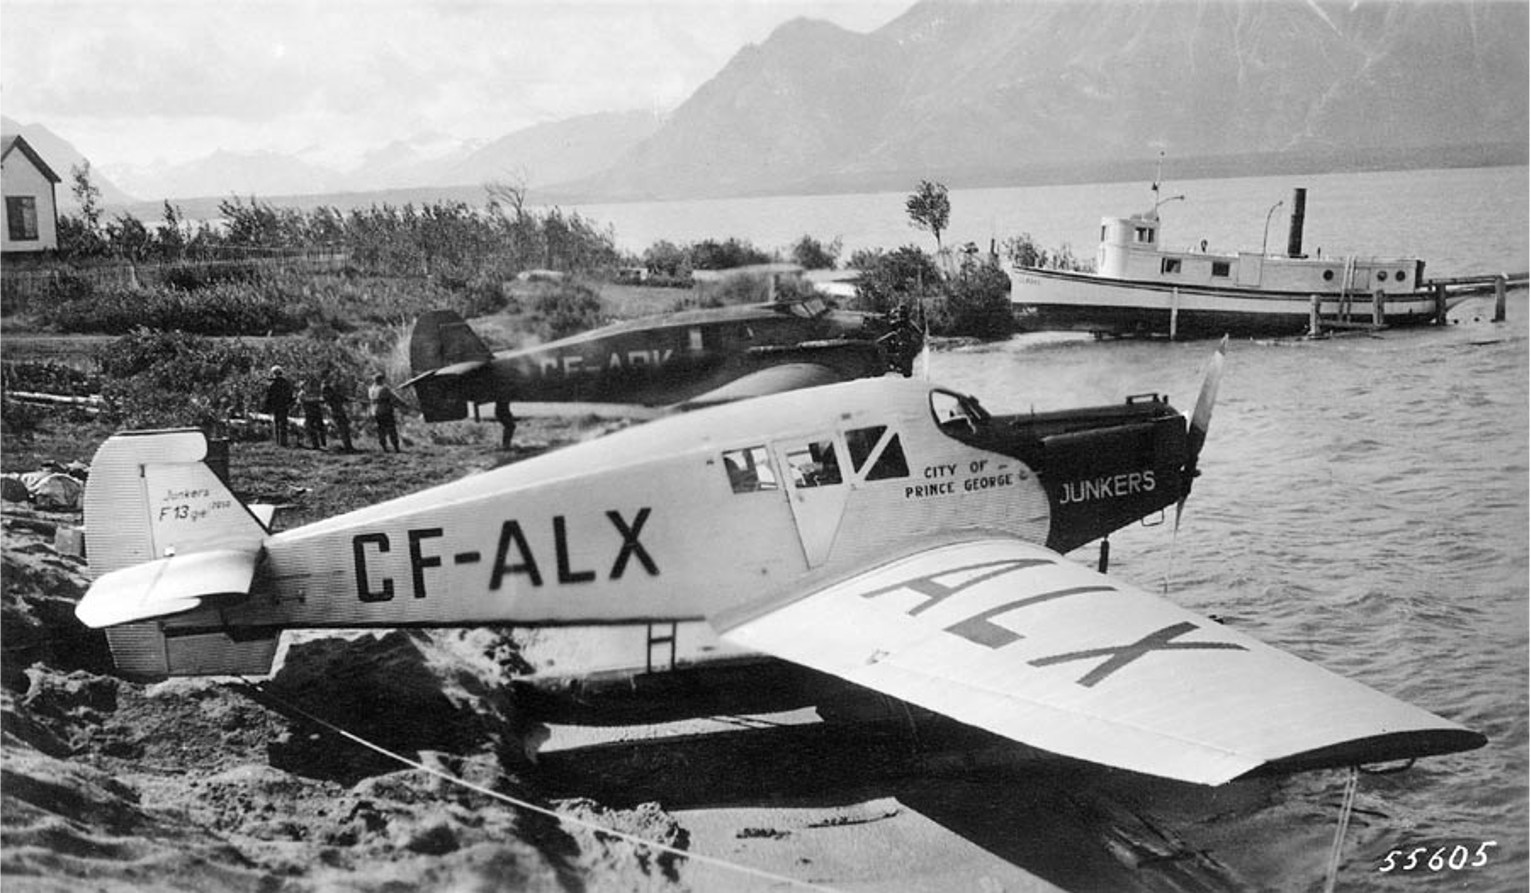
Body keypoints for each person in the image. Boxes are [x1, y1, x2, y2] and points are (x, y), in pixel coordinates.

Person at [367, 373, 406, 453]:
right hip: (385, 410)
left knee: (381, 429)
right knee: (391, 428)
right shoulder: (384, 388)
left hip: (375, 411)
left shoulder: (370, 389)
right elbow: (394, 398)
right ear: (381, 379)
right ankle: (396, 447)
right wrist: (403, 404)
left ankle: (384, 446)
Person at [261, 366, 294, 447]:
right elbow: (290, 394)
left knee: (277, 422)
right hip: (284, 405)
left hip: (276, 405)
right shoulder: (286, 383)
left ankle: (278, 441)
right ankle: (284, 441)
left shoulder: (272, 384)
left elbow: (269, 396)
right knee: (283, 423)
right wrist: (290, 402)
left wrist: (267, 406)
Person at [321, 373, 354, 453]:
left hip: (338, 409)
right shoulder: (326, 388)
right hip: (335, 410)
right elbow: (330, 398)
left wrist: (346, 399)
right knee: (343, 428)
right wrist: (342, 398)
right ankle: (347, 447)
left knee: (345, 428)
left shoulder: (329, 388)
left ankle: (349, 446)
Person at [297, 381, 326, 450]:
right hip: (309, 413)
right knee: (311, 428)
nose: (308, 387)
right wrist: (317, 399)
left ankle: (323, 443)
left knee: (320, 427)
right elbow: (306, 400)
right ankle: (316, 444)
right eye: (306, 385)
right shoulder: (302, 394)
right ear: (303, 386)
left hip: (316, 412)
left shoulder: (310, 393)